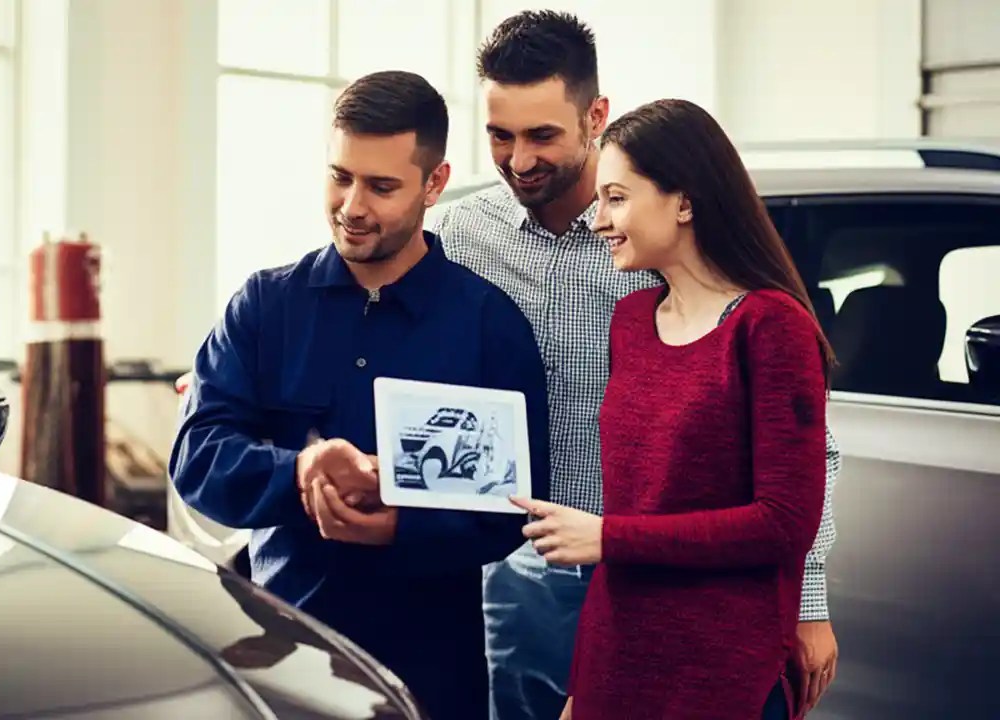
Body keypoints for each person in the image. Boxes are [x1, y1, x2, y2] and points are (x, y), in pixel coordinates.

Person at [430, 10, 841, 719]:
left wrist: (806, 602)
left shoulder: (679, 269)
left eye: (543, 136)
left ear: (595, 116)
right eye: (501, 136)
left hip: (671, 578)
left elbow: (793, 478)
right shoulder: (465, 235)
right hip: (529, 571)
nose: (520, 158)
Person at [168, 69, 550, 720]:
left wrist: (407, 527)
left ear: (435, 183)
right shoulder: (264, 307)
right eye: (340, 176)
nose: (352, 206)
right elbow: (197, 456)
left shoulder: (490, 326)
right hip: (284, 665)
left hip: (434, 678)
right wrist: (298, 471)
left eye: (381, 186)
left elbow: (516, 503)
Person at [513, 96, 831, 719]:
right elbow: (628, 519)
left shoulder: (771, 327)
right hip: (617, 660)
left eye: (618, 198)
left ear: (684, 201)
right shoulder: (631, 320)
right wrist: (583, 683)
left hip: (721, 673)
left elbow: (782, 523)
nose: (599, 218)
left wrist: (606, 535)